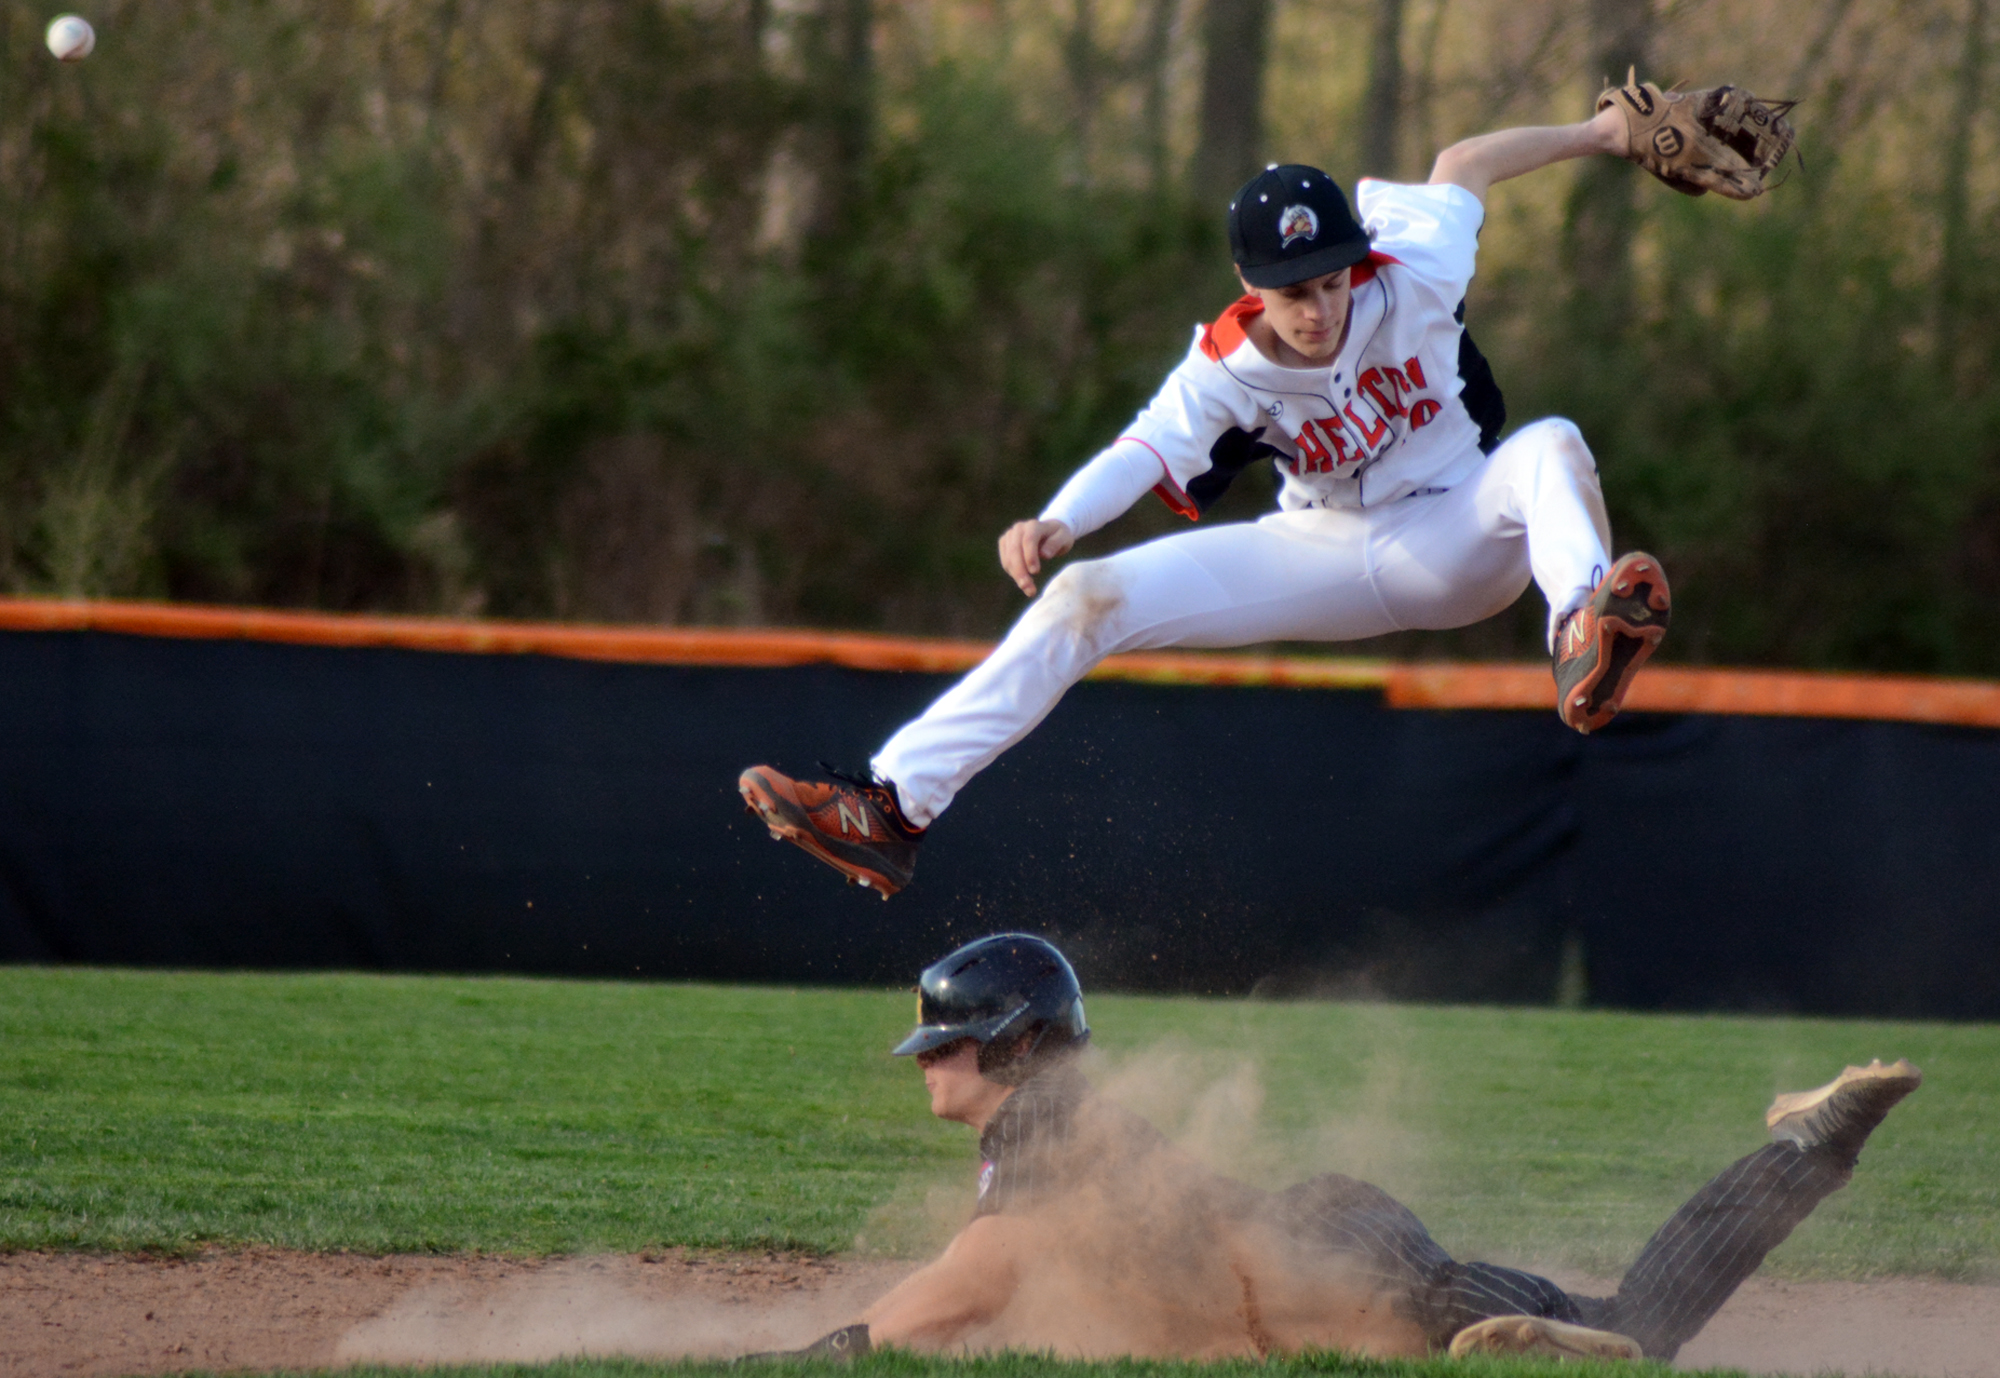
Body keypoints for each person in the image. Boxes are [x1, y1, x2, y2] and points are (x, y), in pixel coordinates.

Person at [740, 100, 1679, 897]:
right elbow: (1144, 450)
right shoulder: (1222, 368)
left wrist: (1603, 136)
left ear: (1353, 259)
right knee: (1085, 599)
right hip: (1322, 547)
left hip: (1459, 530)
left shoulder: (1413, 265)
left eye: (1327, 281)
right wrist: (1060, 518)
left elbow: (1466, 161)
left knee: (1552, 443)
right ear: (1247, 285)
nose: (1316, 309)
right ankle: (892, 807)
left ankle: (1580, 633)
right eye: (1289, 292)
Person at [753, 933, 1923, 1361]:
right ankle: (1797, 1148)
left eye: (945, 1042)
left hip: (1340, 1254)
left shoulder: (1050, 1130)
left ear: (1011, 1044)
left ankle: (1809, 1142)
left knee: (1636, 1333)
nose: (924, 1059)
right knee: (1611, 1325)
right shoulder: (1046, 1125)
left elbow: (976, 1277)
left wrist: (838, 1349)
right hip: (1326, 1229)